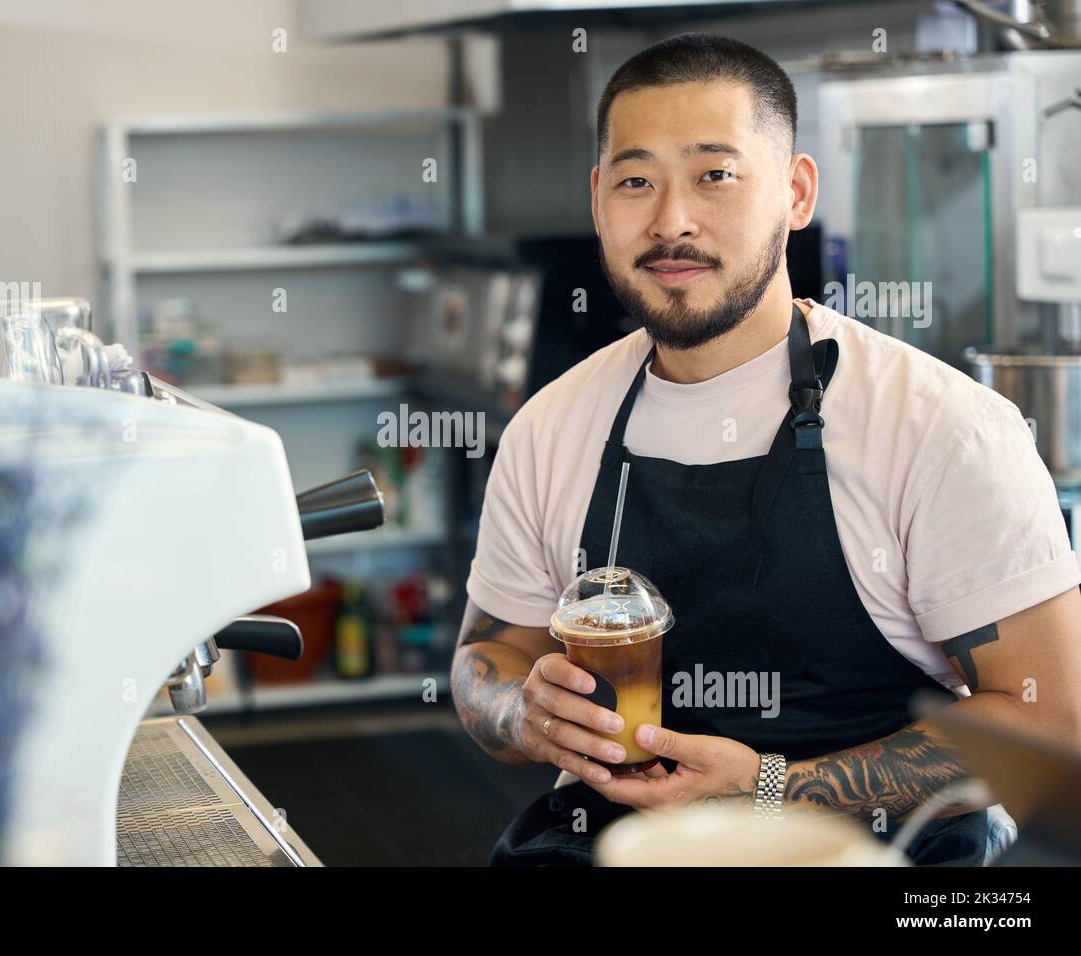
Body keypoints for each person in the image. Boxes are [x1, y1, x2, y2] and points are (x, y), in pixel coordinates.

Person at [451, 32, 1081, 867]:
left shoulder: (941, 429)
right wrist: (520, 713)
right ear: (600, 200)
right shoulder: (552, 426)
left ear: (795, 191)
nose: (672, 220)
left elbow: (1053, 724)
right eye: (637, 181)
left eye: (716, 174)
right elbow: (484, 661)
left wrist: (771, 783)